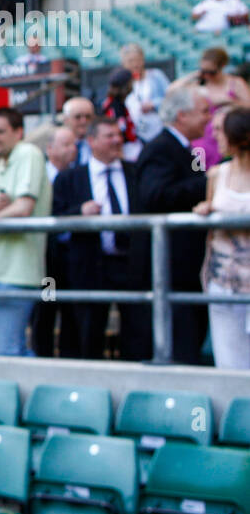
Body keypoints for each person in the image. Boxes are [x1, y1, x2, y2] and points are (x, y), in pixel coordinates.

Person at [52, 118, 152, 361]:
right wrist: (79, 213)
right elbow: (55, 220)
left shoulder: (136, 172)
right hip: (89, 268)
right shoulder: (70, 178)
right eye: (109, 136)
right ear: (92, 141)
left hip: (133, 267)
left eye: (119, 135)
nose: (117, 140)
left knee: (138, 332)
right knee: (88, 333)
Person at [137, 85, 213, 364]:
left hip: (185, 266)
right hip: (171, 267)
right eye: (204, 111)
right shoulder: (160, 148)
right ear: (182, 115)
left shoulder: (187, 150)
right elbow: (155, 195)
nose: (208, 118)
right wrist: (207, 184)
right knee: (180, 343)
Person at [0, 107, 51, 357]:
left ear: (19, 132)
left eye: (0, 131)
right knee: (0, 349)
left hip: (17, 275)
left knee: (8, 352)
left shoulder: (27, 153)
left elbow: (23, 208)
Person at [194, 106, 250, 369]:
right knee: (230, 363)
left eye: (220, 130)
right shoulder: (217, 173)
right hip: (223, 282)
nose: (214, 136)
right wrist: (205, 210)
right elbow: (209, 206)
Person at [32, 126, 82, 358]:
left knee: (72, 311)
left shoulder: (78, 176)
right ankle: (42, 357)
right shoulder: (37, 176)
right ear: (50, 148)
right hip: (46, 261)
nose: (73, 149)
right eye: (66, 144)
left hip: (72, 259)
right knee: (45, 311)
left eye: (74, 144)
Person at [173, 47, 250, 168]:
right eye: (204, 71)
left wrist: (229, 101)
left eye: (211, 72)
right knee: (198, 174)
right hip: (202, 141)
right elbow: (171, 91)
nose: (207, 75)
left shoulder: (235, 83)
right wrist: (194, 75)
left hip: (228, 140)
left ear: (222, 67)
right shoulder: (199, 84)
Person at [120, 43, 171, 143]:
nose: (135, 64)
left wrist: (154, 104)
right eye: (130, 61)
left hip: (159, 129)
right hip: (136, 135)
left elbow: (171, 98)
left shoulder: (155, 75)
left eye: (138, 60)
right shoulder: (123, 82)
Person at [101, 67, 142, 161]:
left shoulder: (120, 103)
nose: (133, 85)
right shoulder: (114, 106)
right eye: (131, 82)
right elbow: (118, 132)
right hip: (126, 152)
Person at [62, 96, 96, 165]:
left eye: (88, 117)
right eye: (78, 117)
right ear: (66, 120)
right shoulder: (58, 146)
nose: (83, 121)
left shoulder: (101, 144)